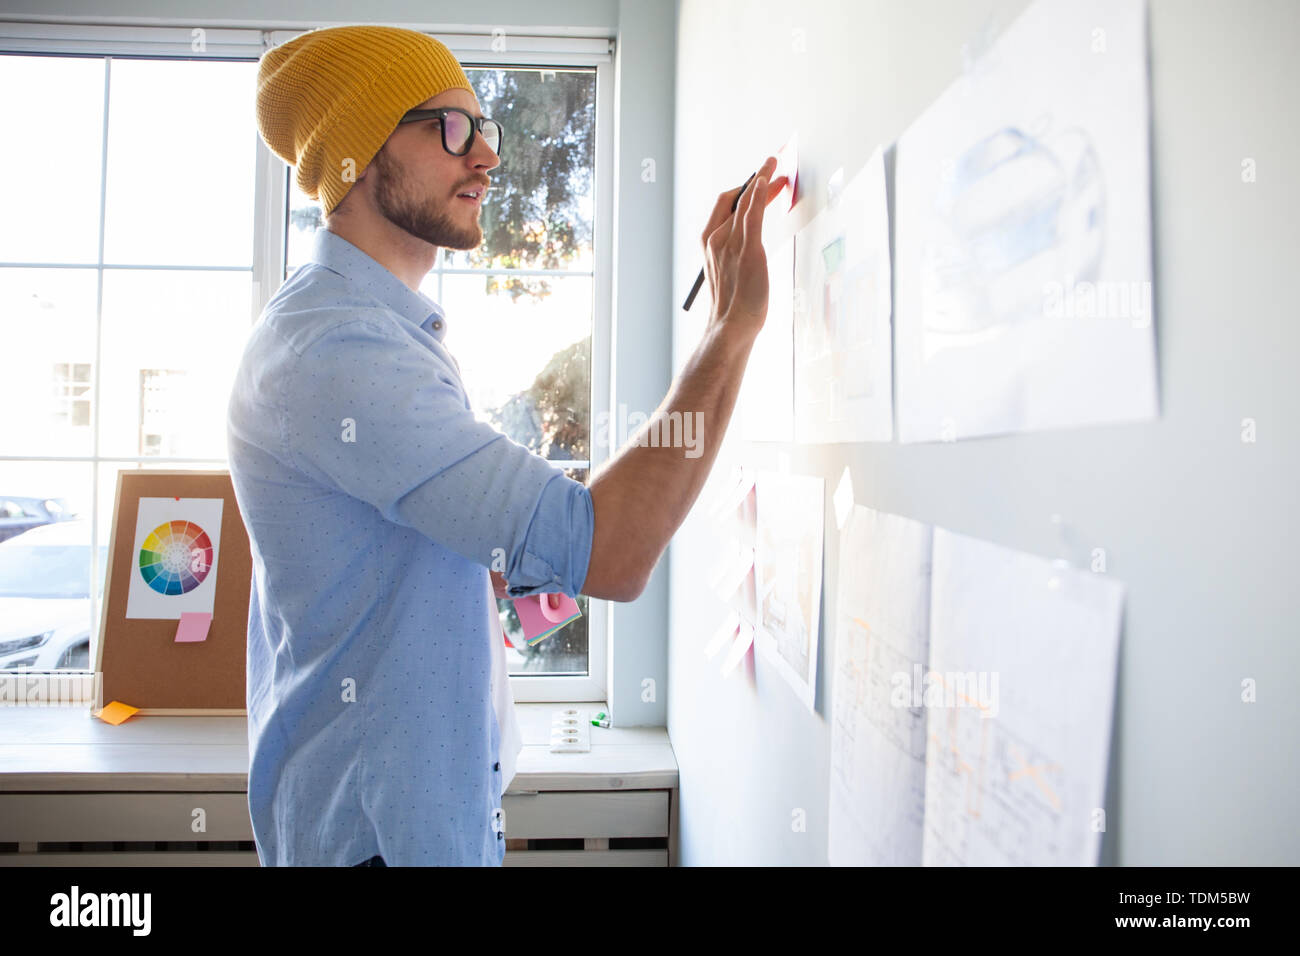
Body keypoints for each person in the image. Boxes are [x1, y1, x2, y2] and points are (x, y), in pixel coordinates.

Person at [228, 24, 784, 866]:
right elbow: (614, 551)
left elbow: (400, 564)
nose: (486, 157)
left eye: (484, 129)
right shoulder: (341, 351)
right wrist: (731, 329)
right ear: (358, 157)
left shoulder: (374, 335)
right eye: (451, 130)